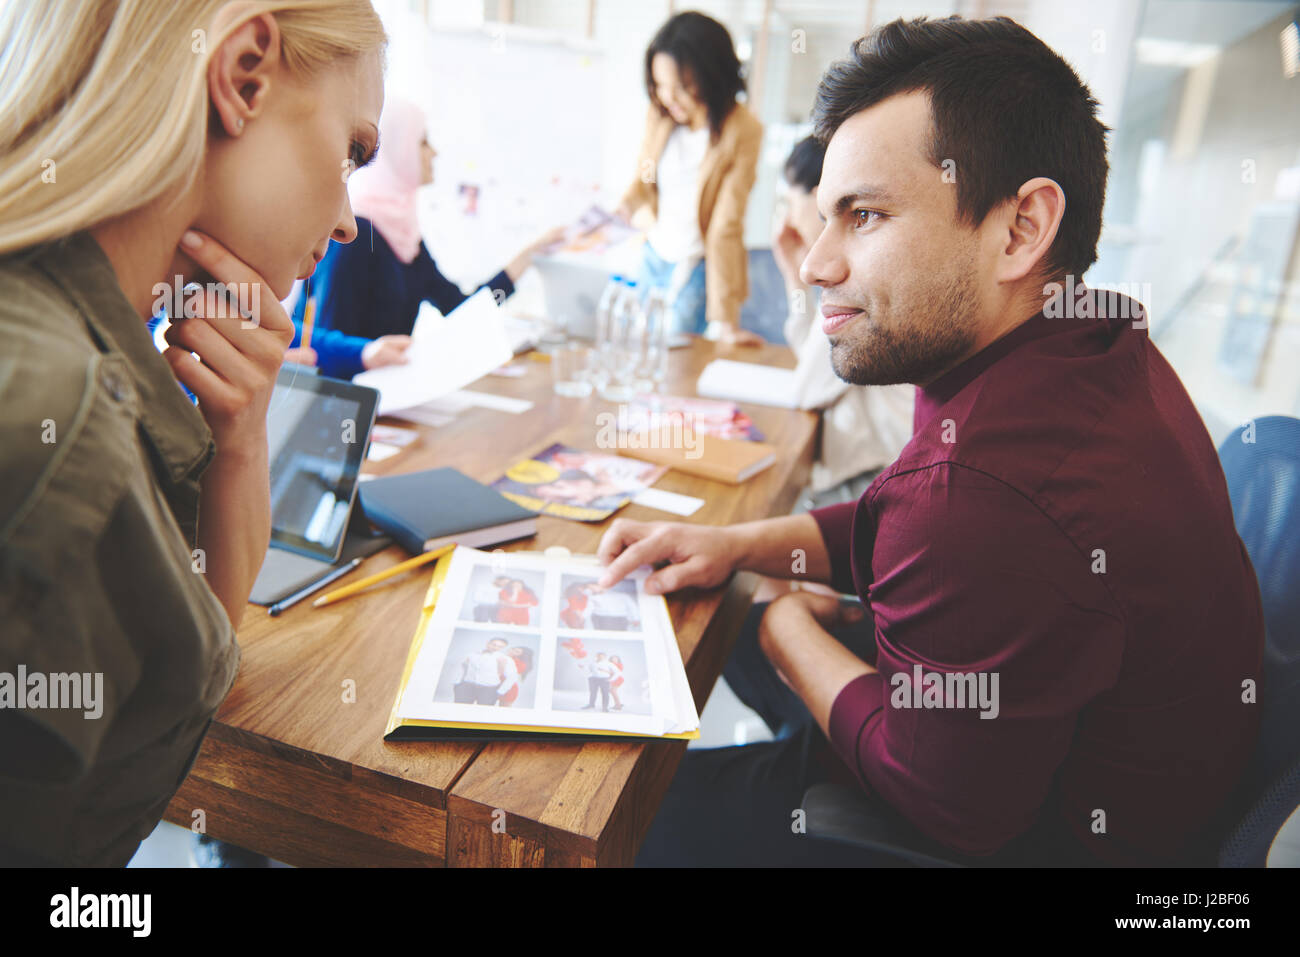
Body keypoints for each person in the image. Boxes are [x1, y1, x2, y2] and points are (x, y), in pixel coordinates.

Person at [597, 16, 1265, 867]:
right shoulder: (1091, 338)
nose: (813, 264)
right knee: (729, 612)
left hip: (1006, 834)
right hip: (1056, 746)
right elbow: (894, 513)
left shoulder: (985, 493)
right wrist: (734, 545)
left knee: (614, 825)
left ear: (1022, 227)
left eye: (865, 215)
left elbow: (947, 804)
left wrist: (779, 622)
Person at [0, 0, 386, 867]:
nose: (347, 219)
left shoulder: (76, 340)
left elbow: (202, 634)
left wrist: (242, 438)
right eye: (353, 150)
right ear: (243, 73)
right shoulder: (59, 428)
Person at [284, 95, 563, 379]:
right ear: (396, 150)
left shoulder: (405, 238)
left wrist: (529, 256)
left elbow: (459, 309)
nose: (434, 153)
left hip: (387, 398)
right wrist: (366, 354)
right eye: (423, 142)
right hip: (347, 405)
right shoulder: (356, 235)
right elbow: (324, 347)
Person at [774, 136, 914, 509]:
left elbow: (805, 388)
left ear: (821, 198)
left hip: (875, 479)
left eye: (791, 204)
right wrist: (794, 279)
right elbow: (814, 351)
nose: (787, 220)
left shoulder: (856, 279)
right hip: (880, 468)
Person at [615, 12, 765, 345]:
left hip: (695, 263)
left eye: (681, 87)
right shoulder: (660, 114)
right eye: (659, 85)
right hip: (654, 253)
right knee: (633, 344)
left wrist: (726, 320)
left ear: (711, 75)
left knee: (674, 359)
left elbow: (727, 224)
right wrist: (620, 211)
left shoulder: (743, 131)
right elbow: (644, 176)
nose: (668, 97)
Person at [454, 638, 518, 706]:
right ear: (488, 643)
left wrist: (500, 692)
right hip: (467, 686)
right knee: (460, 709)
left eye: (500, 646)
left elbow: (512, 677)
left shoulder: (505, 659)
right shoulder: (472, 655)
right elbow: (462, 668)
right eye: (494, 644)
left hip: (488, 690)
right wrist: (457, 683)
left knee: (483, 713)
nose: (496, 647)